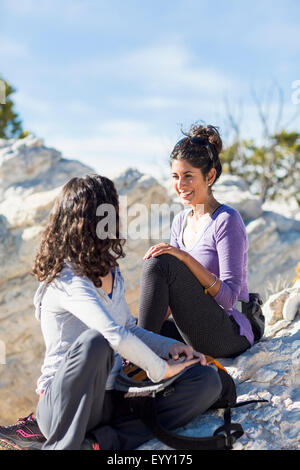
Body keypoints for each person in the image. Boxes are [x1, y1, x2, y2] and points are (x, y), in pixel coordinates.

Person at [0, 174, 222, 451]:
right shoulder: (65, 279)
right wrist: (160, 368)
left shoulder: (111, 270)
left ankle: (97, 444)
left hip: (112, 394)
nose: (116, 218)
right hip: (64, 405)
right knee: (96, 342)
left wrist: (173, 347)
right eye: (110, 210)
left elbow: (128, 327)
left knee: (206, 381)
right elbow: (111, 334)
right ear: (88, 219)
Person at [138, 123, 255, 359]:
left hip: (230, 332)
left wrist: (184, 257)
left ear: (209, 176)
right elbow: (170, 295)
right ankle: (137, 357)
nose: (180, 185)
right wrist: (145, 331)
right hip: (197, 325)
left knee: (162, 263)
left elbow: (229, 298)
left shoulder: (226, 220)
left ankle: (139, 360)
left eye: (188, 176)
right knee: (128, 332)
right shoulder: (180, 221)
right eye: (175, 176)